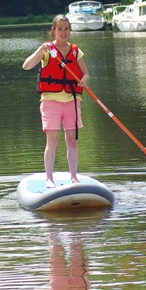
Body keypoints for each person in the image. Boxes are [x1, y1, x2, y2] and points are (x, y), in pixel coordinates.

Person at [22, 14, 90, 188]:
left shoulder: (76, 50)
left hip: (72, 101)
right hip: (50, 101)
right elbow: (26, 66)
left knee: (72, 140)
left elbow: (85, 73)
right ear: (53, 30)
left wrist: (84, 80)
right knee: (52, 140)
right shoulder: (47, 50)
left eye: (66, 28)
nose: (63, 32)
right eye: (60, 28)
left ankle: (74, 177)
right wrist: (40, 50)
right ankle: (49, 178)